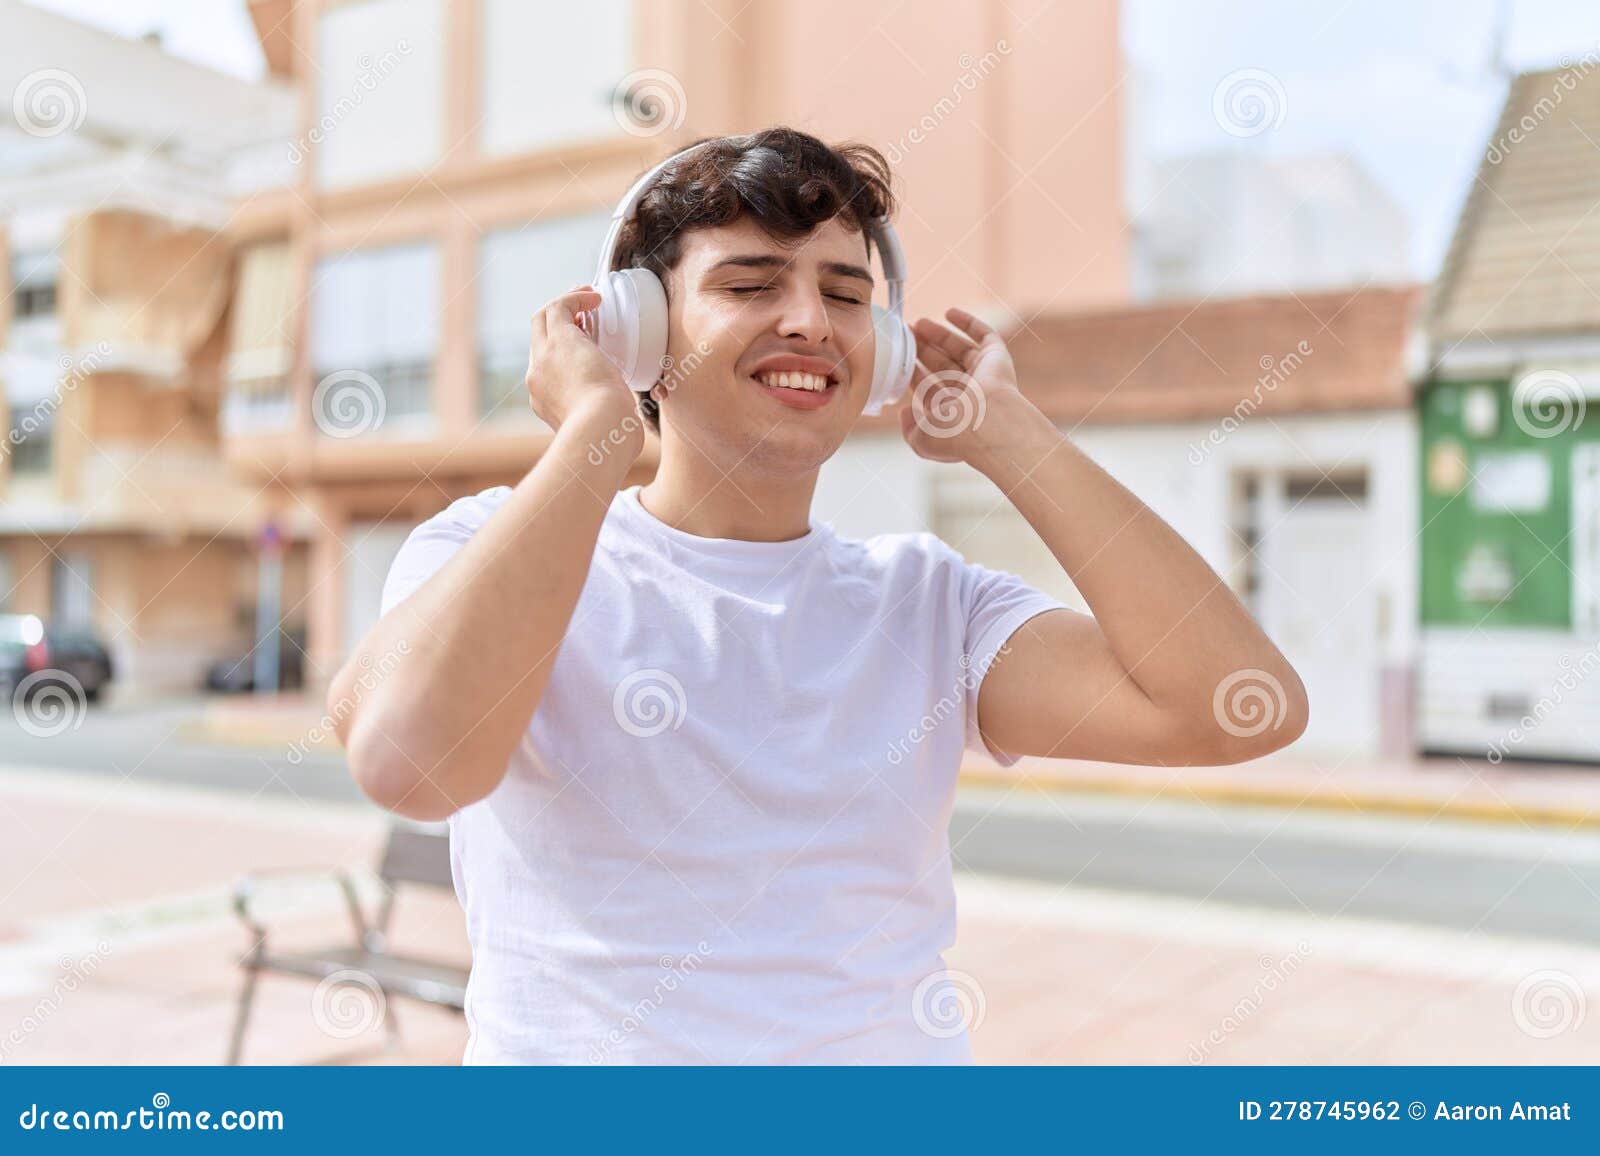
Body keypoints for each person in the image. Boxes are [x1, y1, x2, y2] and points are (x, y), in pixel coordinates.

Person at [328, 126, 1308, 1064]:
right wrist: (595, 431)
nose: (810, 322)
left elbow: (1239, 706)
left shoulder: (927, 603)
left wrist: (1008, 435)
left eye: (845, 295)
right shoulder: (484, 546)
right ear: (635, 332)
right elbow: (411, 765)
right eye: (749, 284)